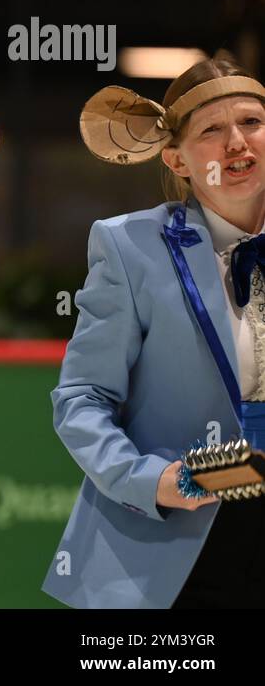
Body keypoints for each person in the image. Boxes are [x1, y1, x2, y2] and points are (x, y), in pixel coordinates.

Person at [46, 52, 265, 609]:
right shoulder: (130, 246)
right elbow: (81, 400)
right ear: (178, 159)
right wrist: (154, 481)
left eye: (253, 123)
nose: (237, 143)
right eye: (213, 130)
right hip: (178, 543)